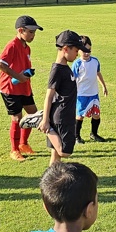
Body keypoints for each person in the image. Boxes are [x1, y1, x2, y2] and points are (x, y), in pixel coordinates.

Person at [0, 15, 43, 161]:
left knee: (32, 115)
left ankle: (23, 144)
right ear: (20, 30)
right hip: (10, 88)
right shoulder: (12, 45)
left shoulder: (27, 48)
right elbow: (0, 64)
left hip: (24, 87)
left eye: (34, 32)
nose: (33, 35)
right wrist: (17, 75)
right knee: (17, 118)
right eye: (30, 32)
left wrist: (27, 73)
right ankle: (14, 150)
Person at [37, 31, 83, 166]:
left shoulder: (65, 67)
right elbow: (49, 95)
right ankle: (40, 122)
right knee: (64, 151)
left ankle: (51, 183)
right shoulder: (57, 70)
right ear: (65, 49)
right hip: (61, 116)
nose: (77, 54)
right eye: (76, 50)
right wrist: (45, 120)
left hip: (65, 114)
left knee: (55, 156)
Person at [72, 36, 108, 144]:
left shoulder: (95, 61)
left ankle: (94, 134)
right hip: (81, 94)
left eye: (89, 50)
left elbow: (98, 73)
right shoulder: (77, 64)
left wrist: (103, 86)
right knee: (80, 116)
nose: (87, 53)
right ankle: (76, 136)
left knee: (96, 115)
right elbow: (72, 79)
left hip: (94, 94)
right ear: (78, 50)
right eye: (84, 50)